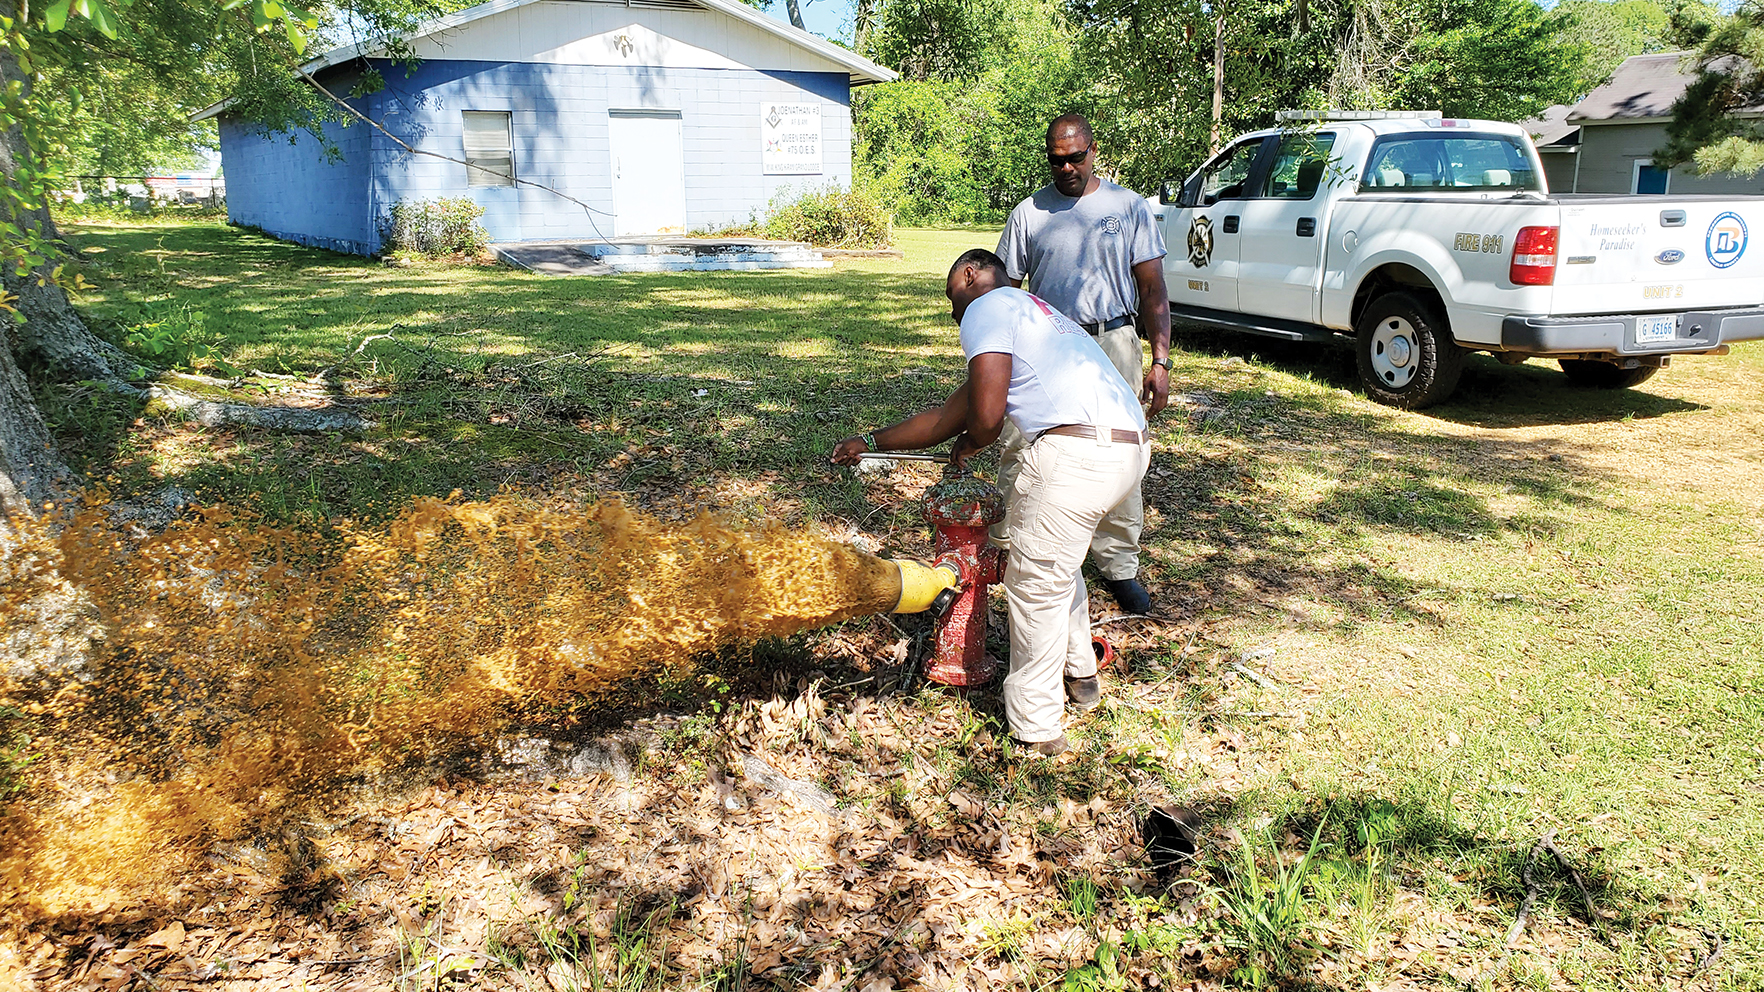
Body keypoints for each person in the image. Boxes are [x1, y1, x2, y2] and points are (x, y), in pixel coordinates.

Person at [831, 250, 1150, 756]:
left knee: (1035, 582)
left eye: (951, 299)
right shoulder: (1030, 314)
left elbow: (983, 418)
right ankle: (1081, 675)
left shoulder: (987, 306)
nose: (954, 314)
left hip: (1075, 453)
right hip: (1128, 446)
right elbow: (948, 414)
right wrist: (870, 440)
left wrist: (972, 442)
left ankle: (1037, 727)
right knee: (1057, 564)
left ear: (968, 275)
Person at [994, 112, 1173, 615]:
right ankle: (1011, 544)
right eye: (1057, 159)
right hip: (1047, 343)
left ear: (1094, 151)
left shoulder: (1128, 207)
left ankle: (1119, 565)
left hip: (1113, 338)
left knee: (1118, 450)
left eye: (1075, 157)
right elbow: (1007, 291)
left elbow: (1154, 289)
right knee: (1022, 441)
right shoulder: (1029, 213)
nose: (1067, 167)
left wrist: (1160, 361)